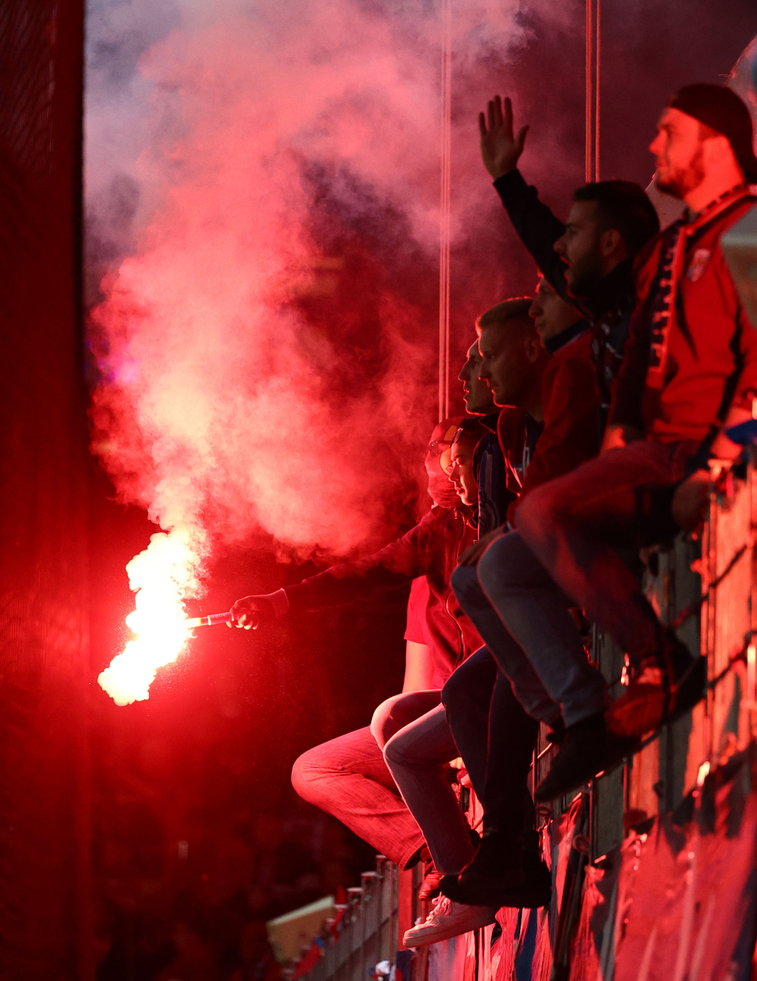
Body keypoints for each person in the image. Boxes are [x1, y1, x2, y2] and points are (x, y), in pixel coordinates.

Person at [512, 83, 757, 801]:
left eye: (667, 132)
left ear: (712, 141)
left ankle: (658, 666)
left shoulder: (747, 230)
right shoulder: (677, 244)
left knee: (539, 516)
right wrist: (620, 441)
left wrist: (718, 464)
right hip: (657, 454)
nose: (654, 146)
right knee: (508, 563)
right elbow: (633, 371)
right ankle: (580, 716)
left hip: (703, 452)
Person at [390, 293, 596, 946]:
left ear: (533, 348)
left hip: (585, 577)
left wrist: (507, 183)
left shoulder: (572, 396)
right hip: (535, 602)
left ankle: (501, 847)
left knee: (490, 594)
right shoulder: (508, 434)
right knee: (446, 695)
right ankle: (499, 851)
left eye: (484, 356)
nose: (472, 372)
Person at [225, 414, 488, 870]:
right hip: (451, 710)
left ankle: (458, 861)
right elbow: (362, 575)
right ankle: (441, 851)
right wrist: (280, 601)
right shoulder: (436, 533)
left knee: (393, 722)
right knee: (314, 769)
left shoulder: (506, 528)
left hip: (492, 698)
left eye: (449, 458)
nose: (435, 469)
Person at [479, 94, 660, 419]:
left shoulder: (652, 315)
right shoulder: (613, 309)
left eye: (573, 234)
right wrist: (507, 179)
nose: (561, 246)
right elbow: (549, 250)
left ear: (609, 243)